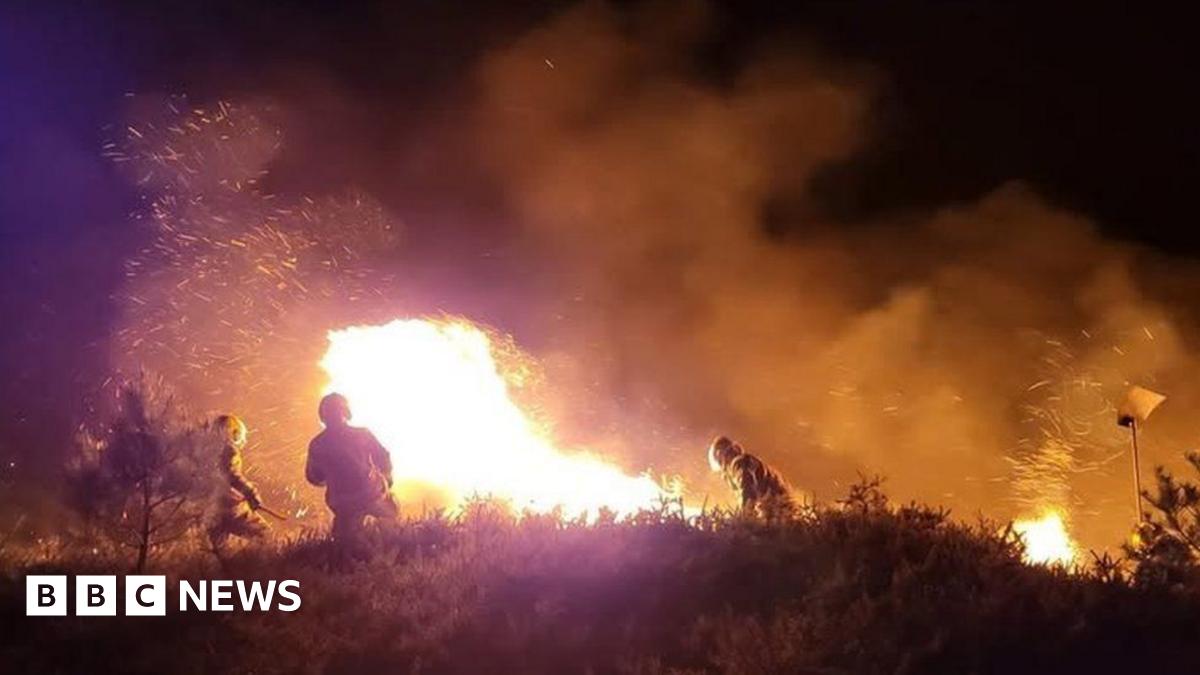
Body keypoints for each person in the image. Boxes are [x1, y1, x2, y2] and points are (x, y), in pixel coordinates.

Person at [305, 393, 397, 550]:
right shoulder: (362, 434)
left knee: (344, 543)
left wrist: (331, 479)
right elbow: (383, 457)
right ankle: (392, 547)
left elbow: (313, 477)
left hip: (342, 502)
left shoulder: (317, 444)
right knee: (391, 516)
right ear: (346, 412)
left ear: (322, 416)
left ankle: (345, 553)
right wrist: (387, 480)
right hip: (372, 494)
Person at [207, 414, 269, 552]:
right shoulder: (229, 450)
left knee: (220, 552)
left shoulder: (206, 450)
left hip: (211, 509)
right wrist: (251, 494)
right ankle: (262, 567)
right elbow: (233, 476)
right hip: (231, 507)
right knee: (264, 534)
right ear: (235, 432)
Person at [707, 435, 795, 520]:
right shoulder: (746, 460)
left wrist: (743, 518)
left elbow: (747, 490)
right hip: (783, 509)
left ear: (719, 456)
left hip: (779, 511)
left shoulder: (738, 463)